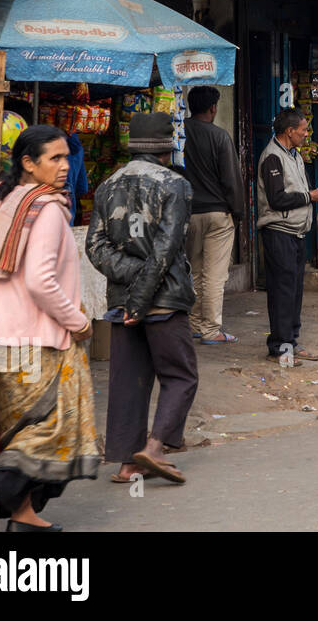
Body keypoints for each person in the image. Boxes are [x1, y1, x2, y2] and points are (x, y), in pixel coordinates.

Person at [0, 126, 100, 532]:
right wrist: (79, 321)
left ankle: (24, 517)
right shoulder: (46, 208)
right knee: (51, 428)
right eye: (55, 158)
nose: (66, 166)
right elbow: (40, 281)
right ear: (28, 164)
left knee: (20, 433)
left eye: (67, 157)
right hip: (39, 339)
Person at [86, 112, 197, 485]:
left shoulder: (107, 185)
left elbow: (95, 247)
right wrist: (143, 293)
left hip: (121, 302)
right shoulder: (175, 185)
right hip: (164, 301)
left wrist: (132, 288)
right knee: (180, 375)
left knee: (127, 380)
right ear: (167, 148)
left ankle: (125, 464)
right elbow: (165, 253)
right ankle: (153, 448)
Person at [258, 108, 318, 363]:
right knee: (283, 290)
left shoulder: (295, 155)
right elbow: (277, 199)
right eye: (302, 130)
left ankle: (291, 340)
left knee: (295, 290)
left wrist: (315, 191)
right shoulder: (272, 158)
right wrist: (310, 196)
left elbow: (297, 191)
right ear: (289, 131)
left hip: (296, 232)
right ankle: (280, 346)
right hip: (279, 232)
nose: (305, 134)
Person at [181, 85, 245, 345]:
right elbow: (231, 179)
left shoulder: (180, 132)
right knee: (215, 276)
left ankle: (196, 324)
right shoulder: (219, 136)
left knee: (195, 272)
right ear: (213, 108)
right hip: (218, 214)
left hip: (189, 213)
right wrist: (237, 212)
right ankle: (210, 330)